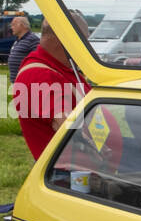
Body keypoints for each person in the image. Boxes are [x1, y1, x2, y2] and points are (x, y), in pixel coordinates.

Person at [13, 14, 120, 163]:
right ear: (62, 39)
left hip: (92, 167)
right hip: (75, 174)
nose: (86, 47)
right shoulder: (39, 75)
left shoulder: (61, 68)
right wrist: (106, 153)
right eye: (83, 41)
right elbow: (69, 128)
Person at [6, 16, 39, 84]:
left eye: (13, 24)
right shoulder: (18, 40)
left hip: (27, 82)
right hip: (17, 82)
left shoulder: (32, 39)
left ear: (22, 25)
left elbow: (38, 60)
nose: (11, 27)